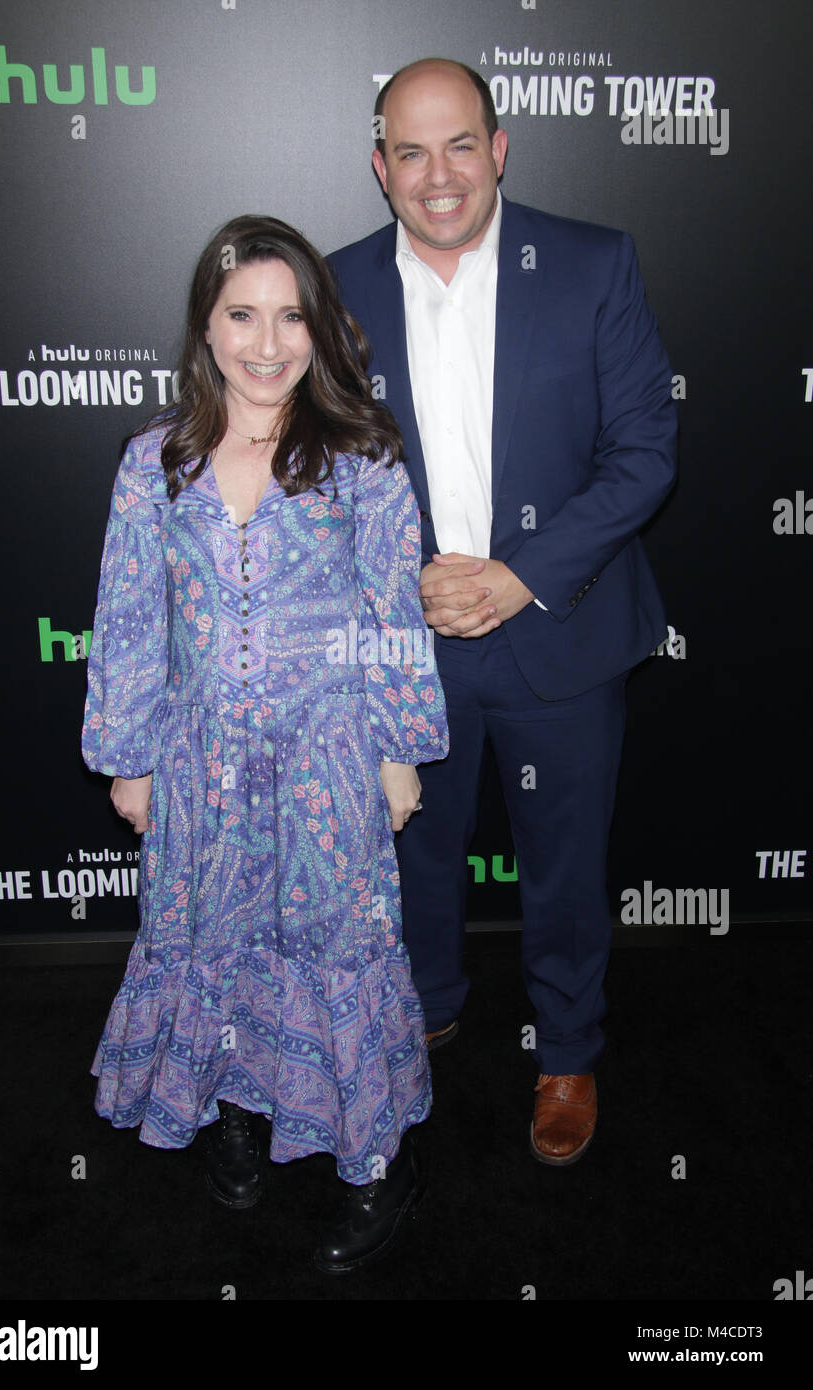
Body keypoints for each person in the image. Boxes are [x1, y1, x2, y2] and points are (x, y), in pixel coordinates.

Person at [81, 214, 448, 1272]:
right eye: (242, 312)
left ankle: (378, 1161)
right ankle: (232, 1106)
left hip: (326, 761)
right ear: (206, 324)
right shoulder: (155, 463)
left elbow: (392, 619)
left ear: (318, 328)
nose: (266, 340)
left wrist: (398, 752)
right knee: (208, 939)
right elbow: (128, 619)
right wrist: (129, 757)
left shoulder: (361, 460)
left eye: (290, 316)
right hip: (198, 765)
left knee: (337, 952)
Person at [328, 59, 677, 1166]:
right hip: (405, 640)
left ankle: (565, 1050)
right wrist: (413, 580)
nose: (439, 177)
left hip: (559, 629)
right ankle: (423, 1012)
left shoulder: (589, 264)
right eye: (411, 152)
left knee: (564, 864)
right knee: (411, 854)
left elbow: (642, 454)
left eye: (460, 145)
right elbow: (310, 478)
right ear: (379, 165)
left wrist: (515, 576)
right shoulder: (330, 291)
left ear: (500, 147)